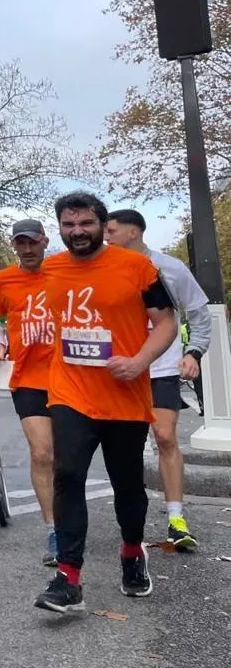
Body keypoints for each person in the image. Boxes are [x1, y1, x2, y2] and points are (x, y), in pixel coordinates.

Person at [35, 192, 178, 614]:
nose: (77, 232)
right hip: (70, 391)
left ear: (102, 225)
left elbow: (167, 322)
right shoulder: (51, 268)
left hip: (124, 395)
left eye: (86, 223)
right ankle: (68, 578)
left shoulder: (137, 268)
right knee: (67, 474)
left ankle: (132, 551)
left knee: (127, 483)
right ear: (60, 228)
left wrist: (139, 361)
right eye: (69, 224)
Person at [105, 208, 210, 551]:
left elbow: (198, 312)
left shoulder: (170, 268)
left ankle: (176, 519)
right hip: (120, 371)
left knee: (165, 436)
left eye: (111, 231)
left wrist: (194, 352)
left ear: (133, 232)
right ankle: (130, 518)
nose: (105, 237)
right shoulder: (103, 269)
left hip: (161, 369)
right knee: (125, 448)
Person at [0, 218, 59, 565]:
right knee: (42, 453)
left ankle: (71, 517)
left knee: (68, 458)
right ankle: (55, 529)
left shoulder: (64, 272)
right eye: (21, 243)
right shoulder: (2, 280)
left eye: (32, 242)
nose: (27, 249)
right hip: (28, 377)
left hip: (71, 377)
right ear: (13, 245)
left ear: (45, 241)